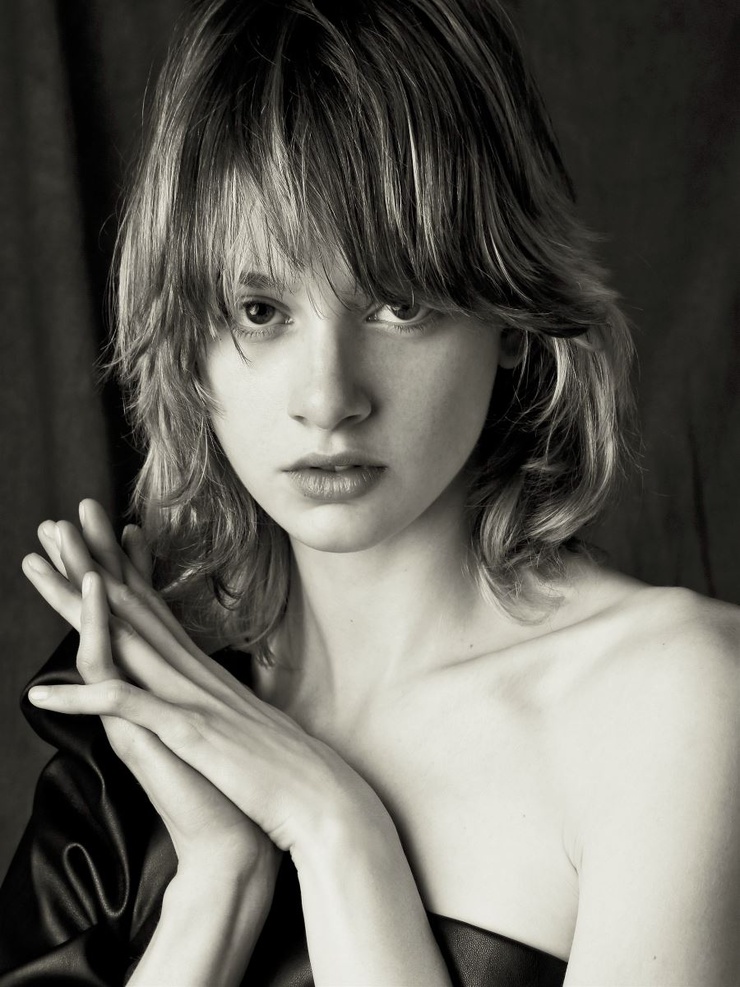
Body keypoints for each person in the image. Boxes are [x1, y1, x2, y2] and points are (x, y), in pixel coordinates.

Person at [1, 0, 739, 983]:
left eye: (399, 302)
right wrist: (218, 883)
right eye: (259, 309)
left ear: (510, 316)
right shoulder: (137, 719)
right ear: (185, 344)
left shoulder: (669, 704)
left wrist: (335, 830)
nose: (327, 399)